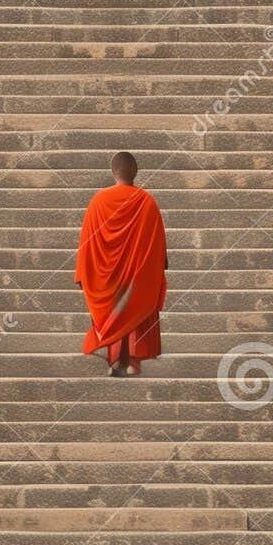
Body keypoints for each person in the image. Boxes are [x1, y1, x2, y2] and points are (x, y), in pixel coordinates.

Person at [75, 151, 167, 378]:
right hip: (138, 272)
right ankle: (133, 361)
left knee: (114, 309)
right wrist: (156, 268)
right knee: (136, 302)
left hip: (108, 274)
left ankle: (115, 361)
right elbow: (158, 246)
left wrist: (83, 273)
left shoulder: (98, 201)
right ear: (135, 173)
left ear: (113, 172)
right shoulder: (147, 201)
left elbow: (87, 242)